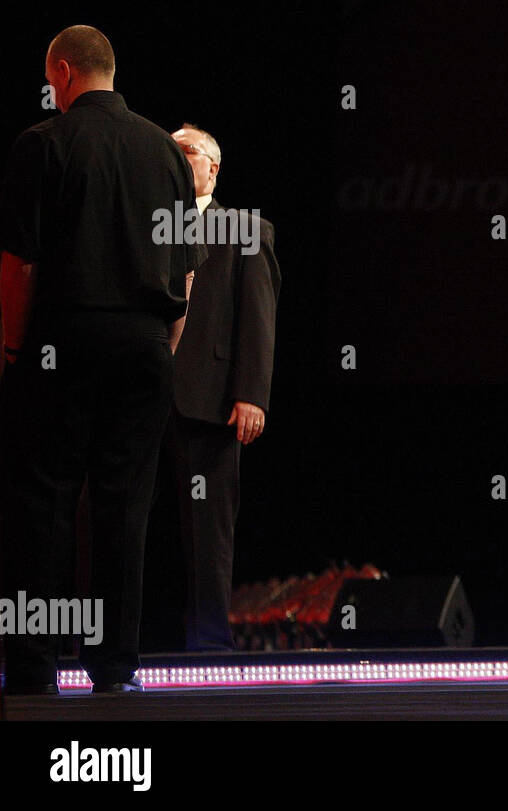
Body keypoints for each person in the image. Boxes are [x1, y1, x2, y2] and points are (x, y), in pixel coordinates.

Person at [0, 26, 205, 694]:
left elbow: (16, 264)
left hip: (64, 340)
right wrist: (161, 348)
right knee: (124, 508)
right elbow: (186, 275)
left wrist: (11, 349)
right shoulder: (168, 153)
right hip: (145, 344)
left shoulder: (42, 143)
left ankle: (32, 667)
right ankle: (114, 669)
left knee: (43, 503)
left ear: (62, 72)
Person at [147, 124, 280, 651]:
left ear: (213, 167)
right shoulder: (148, 226)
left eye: (185, 152)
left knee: (208, 534)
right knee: (127, 523)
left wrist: (252, 393)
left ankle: (209, 647)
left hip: (210, 399)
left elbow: (258, 318)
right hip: (142, 397)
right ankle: (117, 647)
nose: (176, 161)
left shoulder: (246, 228)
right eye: (168, 153)